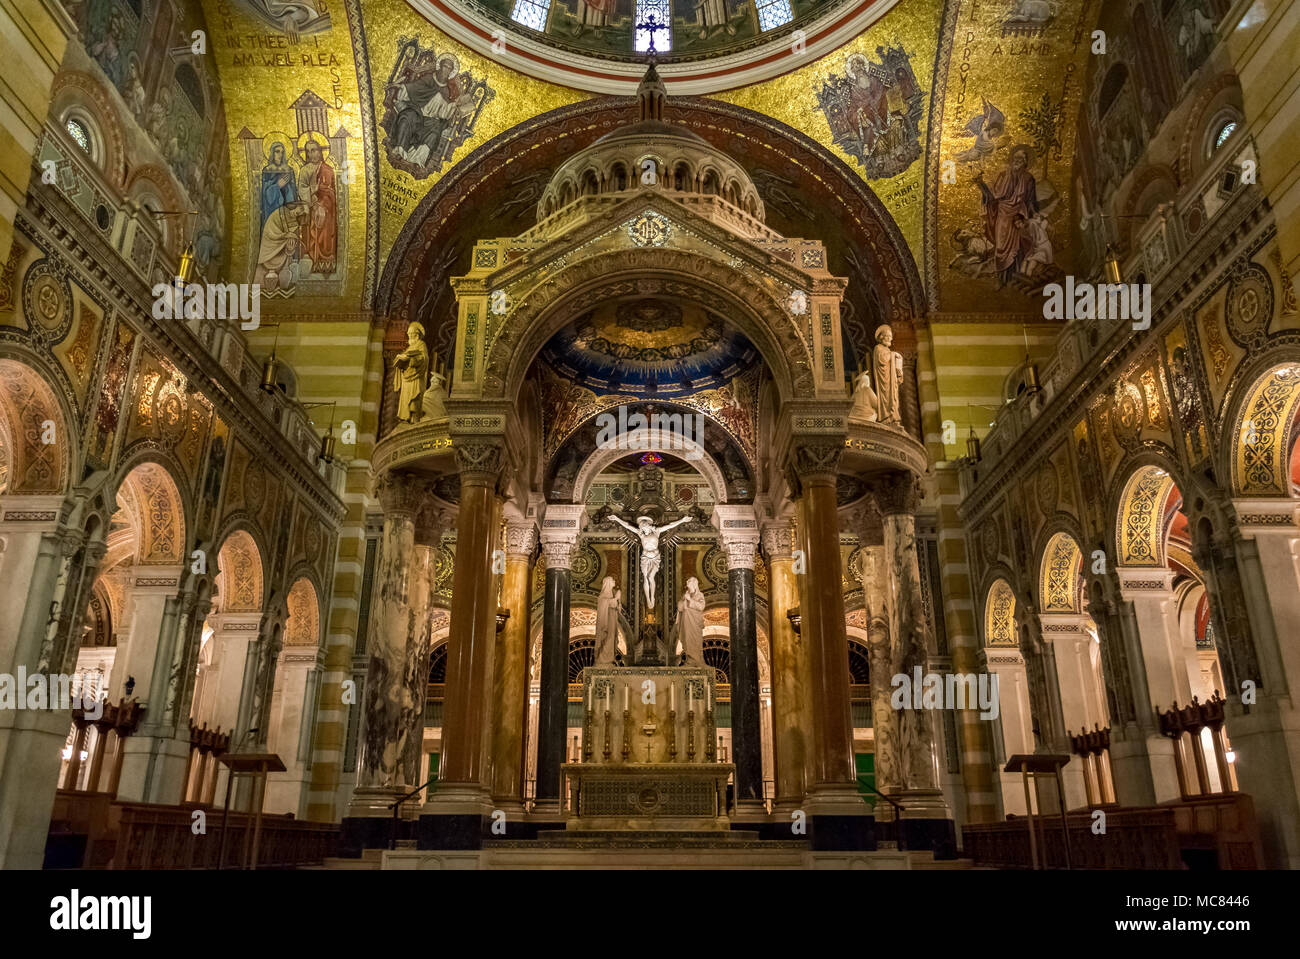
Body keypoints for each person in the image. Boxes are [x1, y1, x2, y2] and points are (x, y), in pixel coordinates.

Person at [608, 512, 693, 607]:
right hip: (645, 558)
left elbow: (670, 526)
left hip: (655, 558)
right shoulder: (641, 534)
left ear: (649, 525)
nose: (643, 530)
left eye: (644, 528)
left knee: (650, 577)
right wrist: (616, 519)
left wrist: (682, 520)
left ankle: (652, 597)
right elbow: (628, 526)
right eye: (642, 528)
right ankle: (648, 599)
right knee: (645, 577)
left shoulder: (657, 531)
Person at [674, 577, 706, 667]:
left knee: (695, 640)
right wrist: (684, 599)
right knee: (687, 639)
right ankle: (689, 660)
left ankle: (696, 661)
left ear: (694, 584)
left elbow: (701, 606)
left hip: (695, 623)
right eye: (687, 580)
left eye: (690, 580)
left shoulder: (700, 595)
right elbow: (680, 608)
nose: (687, 581)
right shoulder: (685, 595)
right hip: (686, 622)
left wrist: (690, 600)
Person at [593, 577, 624, 665]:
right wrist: (615, 599)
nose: (614, 581)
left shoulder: (611, 595)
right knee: (608, 637)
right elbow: (604, 604)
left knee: (612, 637)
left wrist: (618, 601)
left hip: (612, 618)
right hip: (606, 620)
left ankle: (609, 659)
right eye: (612, 580)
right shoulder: (603, 596)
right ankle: (603, 659)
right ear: (608, 583)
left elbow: (616, 607)